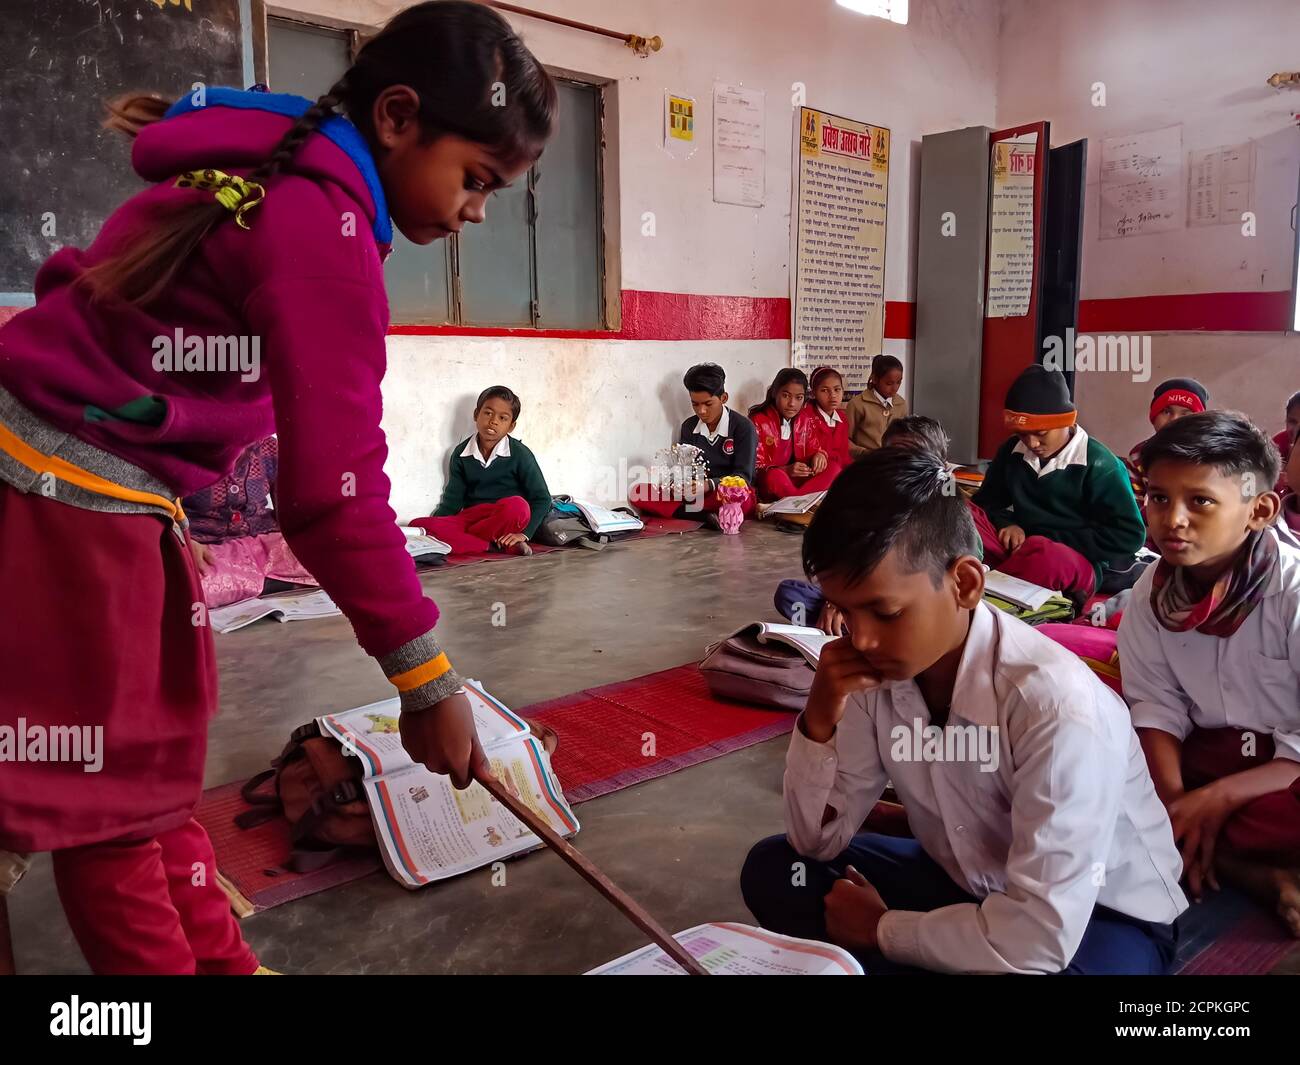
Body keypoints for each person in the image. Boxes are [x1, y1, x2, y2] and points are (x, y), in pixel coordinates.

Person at [0, 1, 555, 973]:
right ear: (395, 116)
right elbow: (336, 491)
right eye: (475, 179)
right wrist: (426, 678)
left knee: (153, 780)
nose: (475, 213)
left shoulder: (278, 173)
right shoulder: (323, 221)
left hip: (82, 491)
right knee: (115, 812)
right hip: (53, 500)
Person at [742, 447, 1186, 973]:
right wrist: (819, 718)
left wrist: (881, 929)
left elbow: (1039, 940)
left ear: (966, 584)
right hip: (964, 881)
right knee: (778, 868)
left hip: (1097, 918)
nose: (858, 637)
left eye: (885, 612)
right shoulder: (871, 668)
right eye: (845, 609)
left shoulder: (1054, 705)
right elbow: (817, 842)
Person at [1117, 411, 1300, 935]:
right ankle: (1245, 868)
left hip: (1281, 772)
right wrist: (1175, 806)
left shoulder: (1293, 594)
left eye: (1200, 501)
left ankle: (1218, 856)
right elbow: (1155, 705)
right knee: (1095, 770)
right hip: (1200, 759)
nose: (1173, 519)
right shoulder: (1151, 592)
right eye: (1158, 498)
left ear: (1258, 510)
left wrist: (1213, 801)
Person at [409, 386, 551, 556]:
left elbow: (542, 499)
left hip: (505, 518)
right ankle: (491, 545)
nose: (493, 421)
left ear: (511, 426)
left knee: (518, 506)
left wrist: (524, 534)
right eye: (488, 413)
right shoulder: (461, 453)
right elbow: (452, 501)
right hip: (474, 519)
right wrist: (438, 522)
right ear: (476, 414)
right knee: (420, 526)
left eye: (502, 418)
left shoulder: (520, 454)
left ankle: (472, 541)